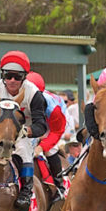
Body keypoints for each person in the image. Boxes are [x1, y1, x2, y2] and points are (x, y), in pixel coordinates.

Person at [0, 50, 47, 210]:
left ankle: (26, 192)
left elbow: (41, 125)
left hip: (22, 131)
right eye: (8, 76)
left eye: (17, 76)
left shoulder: (34, 94)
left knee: (24, 149)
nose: (12, 80)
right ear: (3, 76)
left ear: (24, 77)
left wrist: (25, 131)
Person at [26, 71, 68, 201]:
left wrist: (41, 147)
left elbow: (56, 132)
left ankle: (59, 185)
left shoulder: (53, 109)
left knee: (50, 150)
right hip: (33, 121)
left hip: (53, 123)